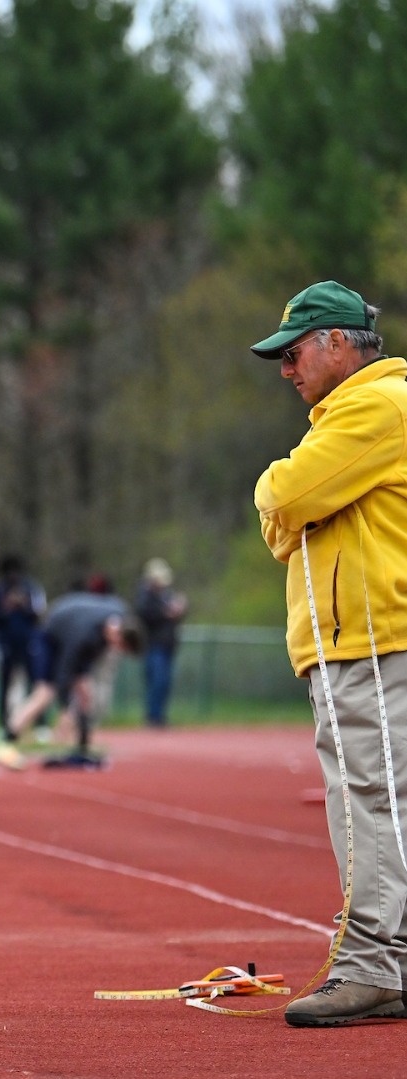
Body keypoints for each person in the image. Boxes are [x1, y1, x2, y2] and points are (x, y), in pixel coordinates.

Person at [252, 280, 407, 1027]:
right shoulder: (369, 408)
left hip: (369, 641)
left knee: (366, 798)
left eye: (294, 352)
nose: (286, 368)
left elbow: (281, 498)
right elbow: (292, 517)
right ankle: (391, 961)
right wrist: (297, 511)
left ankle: (372, 964)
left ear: (338, 343)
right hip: (370, 638)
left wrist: (287, 499)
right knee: (387, 798)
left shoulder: (373, 406)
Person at [0, 591, 139, 769]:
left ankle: (82, 748)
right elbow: (64, 671)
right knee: (45, 692)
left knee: (85, 692)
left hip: (71, 638)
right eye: (118, 645)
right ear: (116, 634)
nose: (115, 648)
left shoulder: (119, 616)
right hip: (49, 637)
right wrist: (65, 708)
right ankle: (7, 741)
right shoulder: (83, 633)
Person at [0, 555, 49, 743]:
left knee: (36, 682)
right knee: (5, 683)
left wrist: (24, 604)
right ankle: (4, 723)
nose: (13, 575)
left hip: (29, 641)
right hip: (6, 642)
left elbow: (39, 612)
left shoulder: (31, 587)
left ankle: (41, 724)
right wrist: (6, 607)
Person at [134, 558, 188, 729]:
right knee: (156, 680)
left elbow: (177, 616)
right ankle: (152, 717)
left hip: (168, 645)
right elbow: (144, 614)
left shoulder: (166, 595)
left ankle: (160, 716)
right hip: (153, 644)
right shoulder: (145, 595)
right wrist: (165, 613)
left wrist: (179, 610)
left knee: (165, 682)